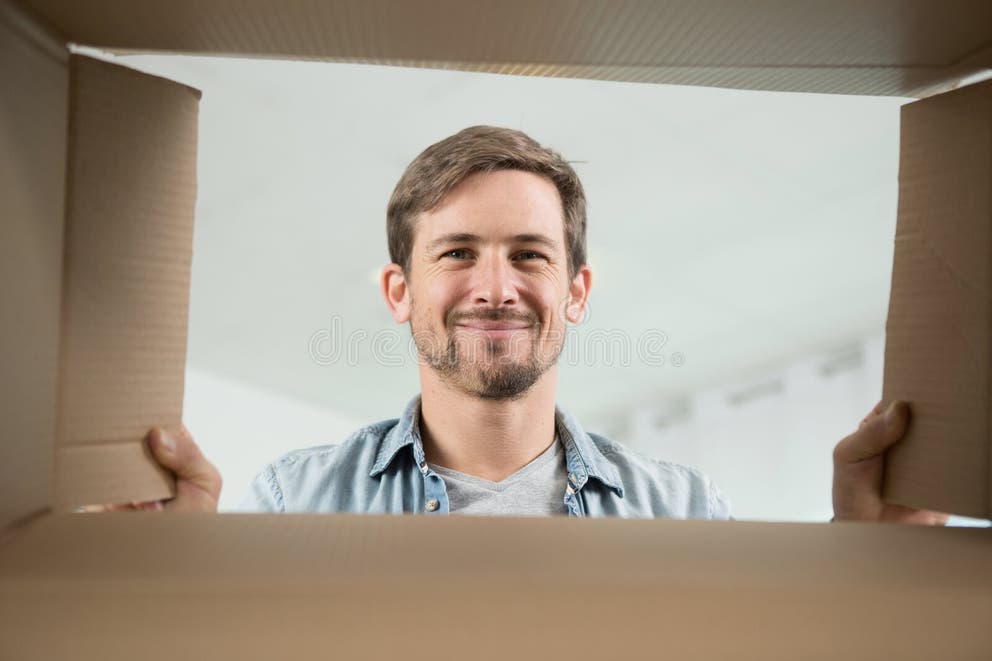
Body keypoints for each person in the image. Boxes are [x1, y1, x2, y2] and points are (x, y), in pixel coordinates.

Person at [123, 126, 947, 524]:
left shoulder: (684, 511)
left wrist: (862, 584)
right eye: (455, 253)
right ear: (397, 289)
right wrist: (184, 596)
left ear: (577, 290)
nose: (495, 287)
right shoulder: (291, 500)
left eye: (529, 254)